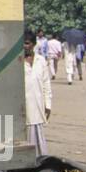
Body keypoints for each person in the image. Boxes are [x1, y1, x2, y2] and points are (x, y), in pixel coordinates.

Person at [23, 31, 52, 164]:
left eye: (27, 43)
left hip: (38, 105)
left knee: (37, 135)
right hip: (23, 107)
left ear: (33, 45)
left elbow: (46, 84)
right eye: (22, 43)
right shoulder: (17, 61)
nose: (24, 46)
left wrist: (48, 104)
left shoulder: (41, 60)